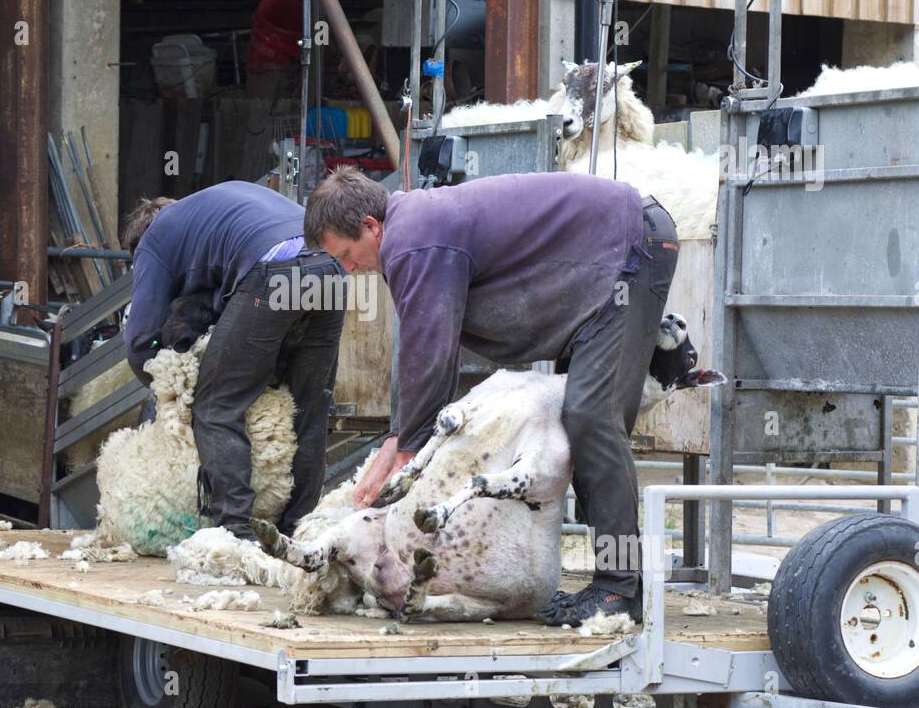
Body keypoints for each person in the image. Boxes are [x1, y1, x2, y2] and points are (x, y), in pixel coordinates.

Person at [303, 166, 678, 625]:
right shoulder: (414, 231)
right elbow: (427, 348)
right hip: (601, 266)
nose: (348, 269)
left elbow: (430, 352)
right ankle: (613, 583)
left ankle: (618, 590)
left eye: (345, 254)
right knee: (572, 425)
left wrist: (405, 452)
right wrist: (400, 436)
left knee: (590, 417)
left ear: (370, 227)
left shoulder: (415, 240)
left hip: (629, 247)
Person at [123, 180, 346, 541]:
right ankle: (299, 532)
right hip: (331, 266)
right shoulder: (214, 213)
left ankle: (236, 532)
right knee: (309, 408)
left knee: (216, 405)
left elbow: (138, 342)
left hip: (275, 271)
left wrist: (172, 393)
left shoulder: (153, 242)